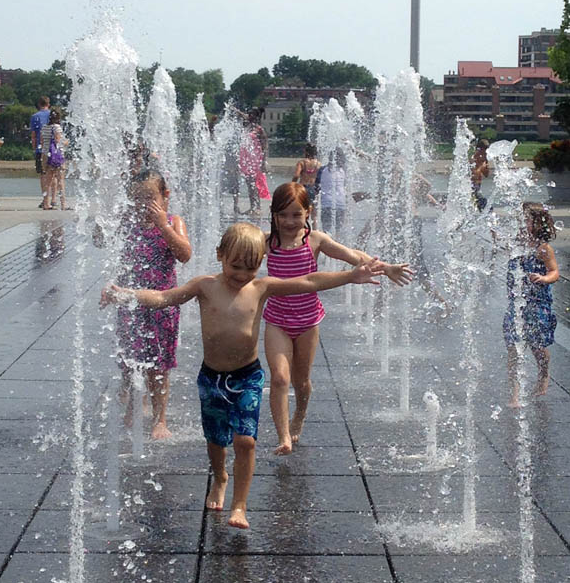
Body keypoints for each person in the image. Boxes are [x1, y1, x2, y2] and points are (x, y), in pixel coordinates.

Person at [100, 222, 385, 528]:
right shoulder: (204, 286)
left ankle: (240, 505)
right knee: (215, 441)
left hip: (247, 377)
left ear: (260, 262)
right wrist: (127, 295)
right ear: (220, 255)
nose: (242, 274)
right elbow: (163, 297)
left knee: (246, 441)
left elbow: (309, 281)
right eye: (235, 266)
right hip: (211, 378)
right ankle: (220, 476)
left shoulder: (261, 287)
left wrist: (350, 276)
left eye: (251, 267)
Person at [263, 182, 413, 455]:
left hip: (308, 322)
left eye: (296, 214)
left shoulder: (315, 240)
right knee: (280, 378)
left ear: (308, 212)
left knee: (301, 381)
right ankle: (284, 436)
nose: (289, 221)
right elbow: (238, 253)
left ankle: (300, 413)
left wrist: (385, 267)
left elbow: (355, 257)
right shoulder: (266, 242)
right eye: (282, 215)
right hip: (277, 320)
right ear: (273, 214)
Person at [114, 170, 192, 439]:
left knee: (159, 365)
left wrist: (163, 227)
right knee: (130, 361)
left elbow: (185, 254)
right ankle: (134, 406)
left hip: (162, 307)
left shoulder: (173, 222)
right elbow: (100, 241)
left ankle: (160, 418)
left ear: (165, 197)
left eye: (149, 198)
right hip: (130, 304)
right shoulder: (127, 223)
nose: (142, 205)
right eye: (136, 198)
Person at [504, 203, 559, 407]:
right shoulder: (516, 244)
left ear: (538, 224)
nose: (521, 224)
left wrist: (544, 279)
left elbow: (554, 272)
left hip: (538, 304)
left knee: (538, 346)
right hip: (516, 304)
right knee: (513, 347)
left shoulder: (543, 249)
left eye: (526, 220)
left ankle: (544, 373)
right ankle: (514, 395)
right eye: (519, 220)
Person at [41, 109, 68, 210]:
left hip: (45, 155)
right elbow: (57, 141)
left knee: (47, 181)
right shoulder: (57, 127)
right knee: (60, 180)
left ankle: (46, 203)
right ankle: (63, 204)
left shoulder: (44, 127)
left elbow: (42, 142)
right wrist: (66, 142)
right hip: (57, 156)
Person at [315, 148, 347, 234]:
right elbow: (345, 186)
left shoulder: (322, 170)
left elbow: (317, 187)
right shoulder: (344, 170)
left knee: (326, 232)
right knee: (338, 232)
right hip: (341, 204)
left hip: (326, 204)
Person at [29, 96, 52, 208]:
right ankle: (53, 199)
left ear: (39, 104)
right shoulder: (53, 115)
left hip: (41, 148)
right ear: (48, 104)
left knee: (43, 175)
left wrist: (34, 148)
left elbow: (33, 135)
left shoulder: (35, 116)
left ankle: (45, 200)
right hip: (53, 148)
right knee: (53, 175)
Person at [471, 138, 490, 211]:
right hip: (472, 184)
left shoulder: (485, 158)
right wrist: (481, 167)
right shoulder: (475, 156)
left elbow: (486, 174)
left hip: (478, 184)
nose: (486, 151)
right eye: (485, 149)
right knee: (484, 205)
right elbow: (473, 173)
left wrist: (486, 167)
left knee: (480, 205)